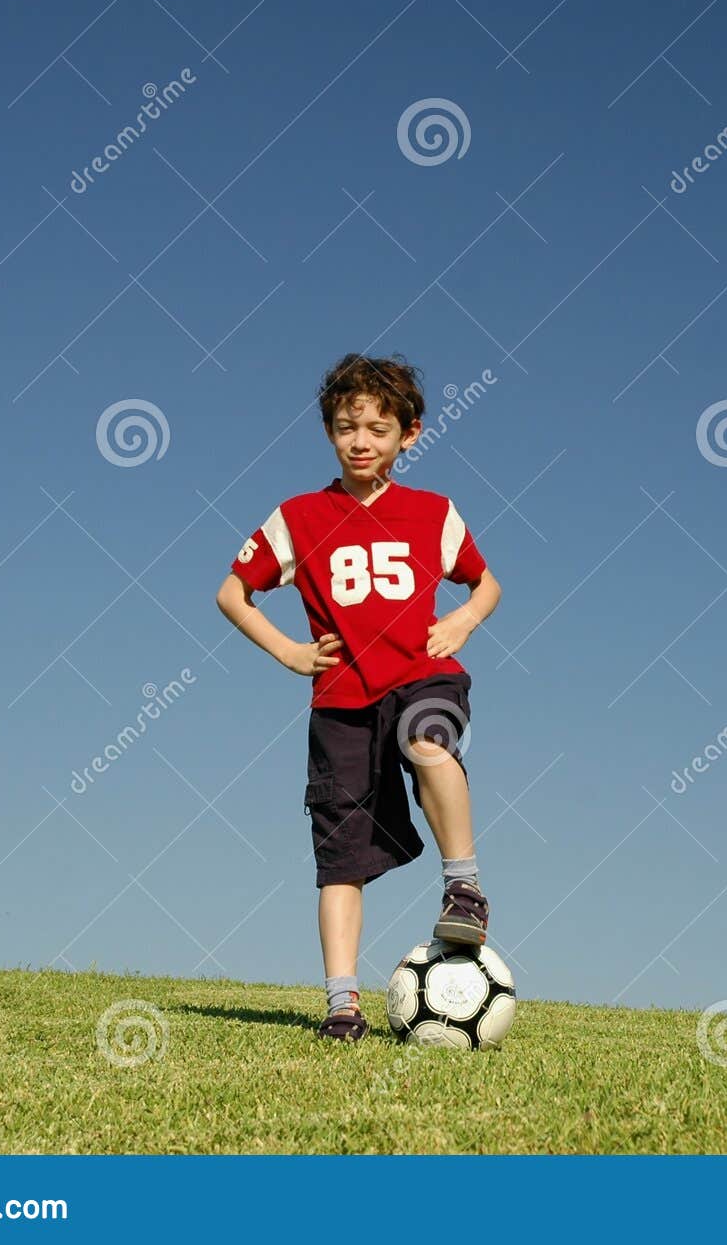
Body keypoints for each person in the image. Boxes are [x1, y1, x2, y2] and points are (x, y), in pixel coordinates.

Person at [215, 352, 502, 1042]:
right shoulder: (300, 516)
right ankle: (342, 1003)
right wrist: (289, 651)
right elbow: (232, 591)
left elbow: (485, 582)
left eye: (378, 426)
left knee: (427, 740)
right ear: (329, 432)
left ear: (410, 434)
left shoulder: (433, 513)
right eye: (347, 427)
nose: (361, 440)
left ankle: (463, 883)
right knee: (339, 857)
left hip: (421, 677)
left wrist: (462, 619)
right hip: (339, 704)